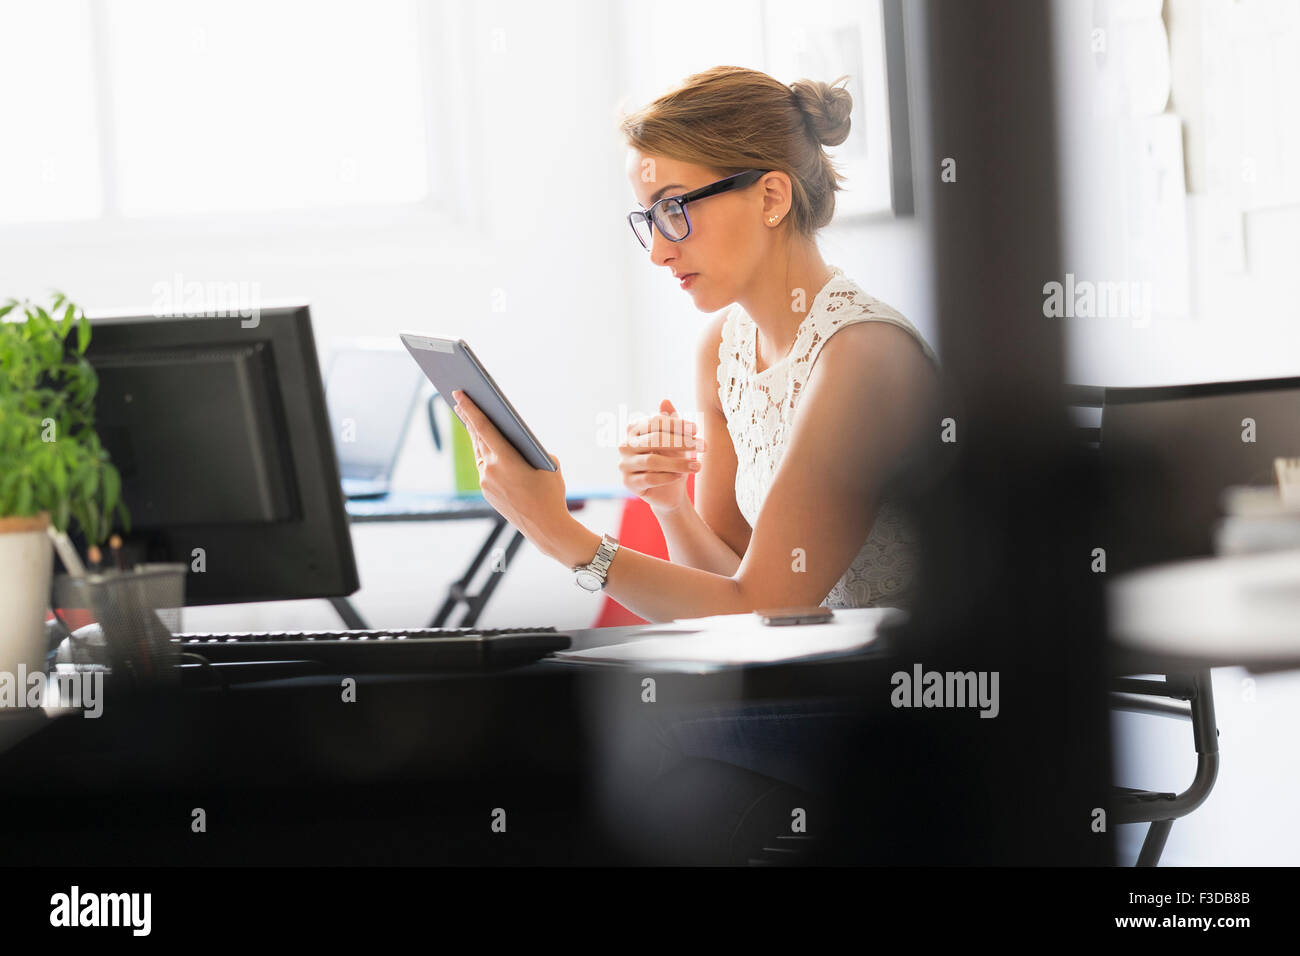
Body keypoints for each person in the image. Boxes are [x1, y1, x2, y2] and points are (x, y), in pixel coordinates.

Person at [451, 65, 942, 621]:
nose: (658, 251)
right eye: (649, 218)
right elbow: (729, 592)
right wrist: (671, 506)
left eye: (674, 208)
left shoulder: (862, 356)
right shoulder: (723, 350)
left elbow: (766, 609)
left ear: (771, 197)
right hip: (798, 678)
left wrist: (558, 533)